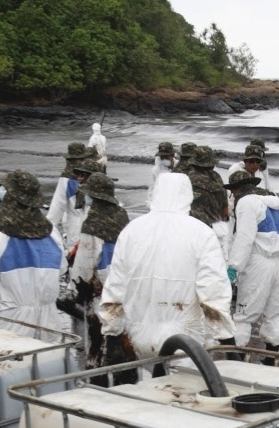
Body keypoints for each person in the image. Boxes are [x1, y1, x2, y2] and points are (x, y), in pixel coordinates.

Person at [98, 172, 233, 362]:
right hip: (184, 336)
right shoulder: (201, 232)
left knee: (148, 383)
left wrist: (112, 335)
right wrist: (227, 336)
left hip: (138, 333)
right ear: (187, 196)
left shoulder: (131, 231)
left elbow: (116, 286)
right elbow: (212, 290)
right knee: (179, 387)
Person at [0, 169, 66, 334]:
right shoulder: (51, 231)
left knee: (22, 358)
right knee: (52, 356)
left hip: (16, 316)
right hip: (50, 315)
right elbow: (62, 268)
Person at [224, 169, 279, 357]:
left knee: (244, 316)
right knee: (273, 316)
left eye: (233, 191)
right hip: (277, 263)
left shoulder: (246, 202)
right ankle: (271, 361)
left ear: (237, 190)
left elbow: (245, 237)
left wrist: (233, 267)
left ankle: (236, 362)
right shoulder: (272, 202)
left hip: (257, 263)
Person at [69, 172, 129, 359]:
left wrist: (75, 292)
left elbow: (84, 269)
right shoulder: (121, 215)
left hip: (100, 290)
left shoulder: (93, 222)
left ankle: (98, 377)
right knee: (123, 337)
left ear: (93, 196)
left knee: (98, 340)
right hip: (123, 285)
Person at [186, 145, 230, 251]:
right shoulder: (217, 178)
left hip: (194, 229)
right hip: (218, 228)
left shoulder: (187, 179)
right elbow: (225, 211)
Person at [46, 141, 89, 247]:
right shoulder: (92, 174)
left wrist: (47, 229)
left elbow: (58, 205)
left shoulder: (66, 178)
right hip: (92, 227)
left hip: (74, 226)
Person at [149, 140, 175, 205]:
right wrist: (150, 203)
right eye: (162, 156)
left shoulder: (180, 166)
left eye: (166, 156)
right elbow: (152, 188)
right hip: (163, 200)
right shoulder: (156, 170)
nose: (163, 159)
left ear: (172, 155)